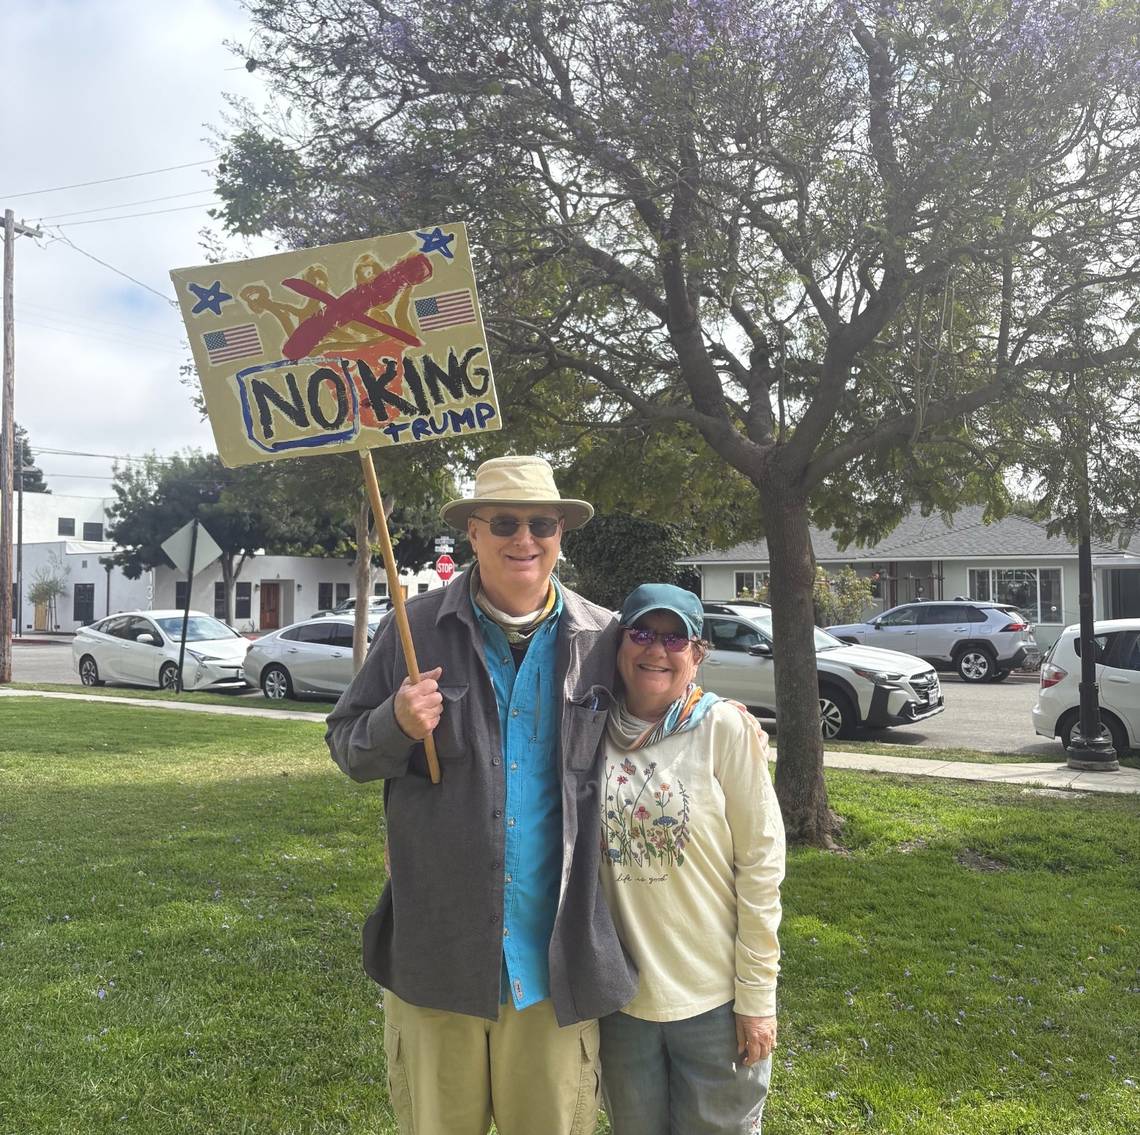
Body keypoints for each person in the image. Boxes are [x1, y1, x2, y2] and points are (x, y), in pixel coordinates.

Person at [325, 455, 636, 1135]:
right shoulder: (414, 628)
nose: (524, 538)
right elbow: (347, 743)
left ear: (560, 534)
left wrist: (715, 720)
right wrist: (395, 723)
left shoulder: (601, 637)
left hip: (553, 969)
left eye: (541, 523)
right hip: (438, 960)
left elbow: (654, 722)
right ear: (472, 532)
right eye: (503, 522)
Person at [598, 583, 786, 1135]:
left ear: (697, 654)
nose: (656, 649)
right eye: (642, 633)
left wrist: (757, 997)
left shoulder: (723, 728)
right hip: (621, 1004)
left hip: (713, 1002)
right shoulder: (588, 728)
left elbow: (762, 865)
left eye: (675, 638)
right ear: (619, 645)